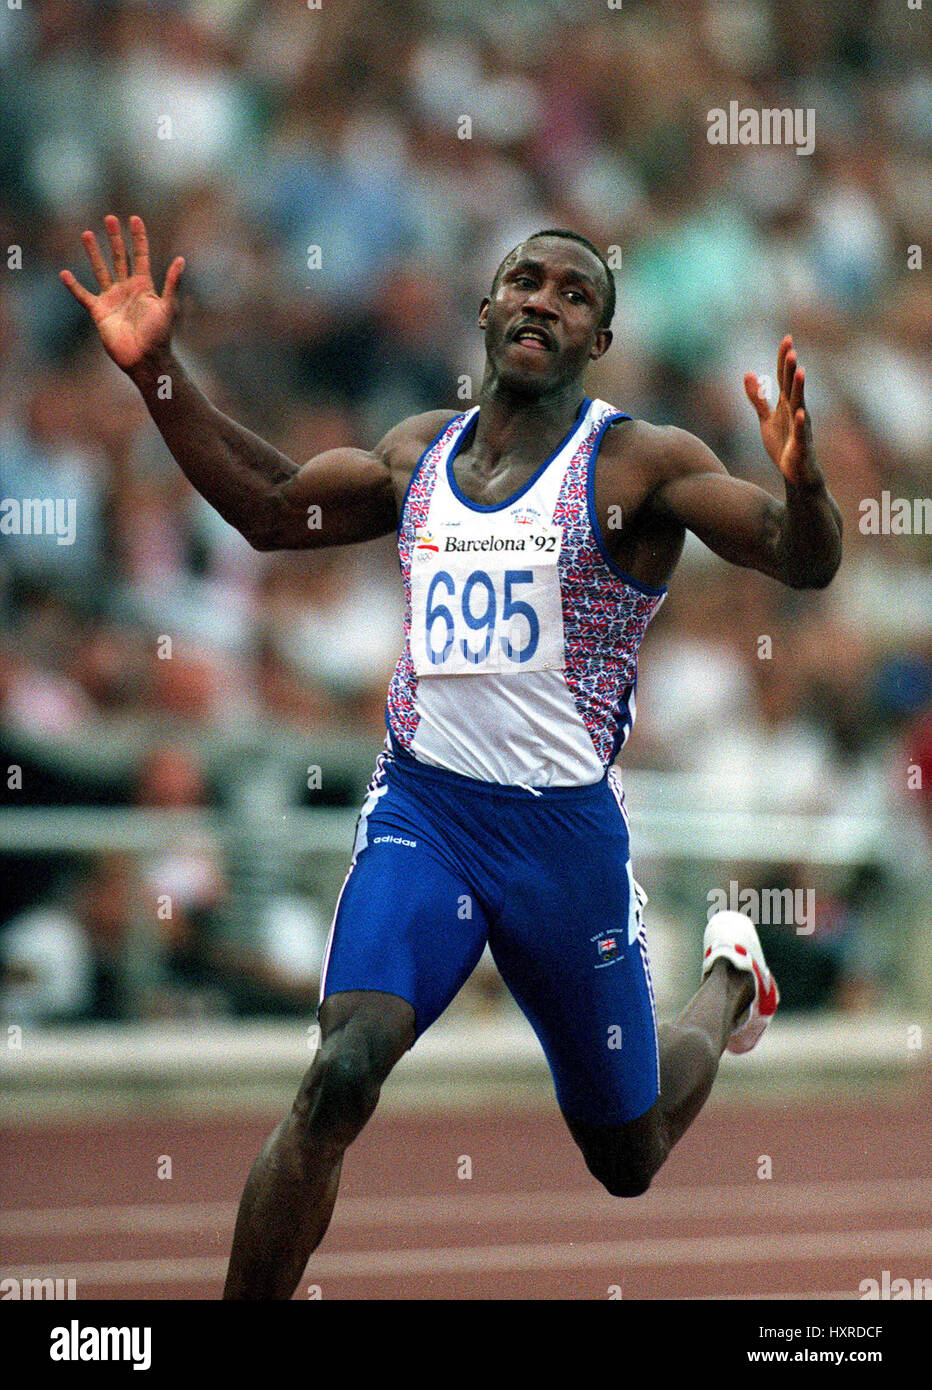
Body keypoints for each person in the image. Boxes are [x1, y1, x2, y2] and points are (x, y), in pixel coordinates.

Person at [62, 216, 843, 1299]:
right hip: (423, 816)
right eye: (524, 280)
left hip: (562, 841)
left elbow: (796, 560)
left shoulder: (640, 463)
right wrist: (156, 376)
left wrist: (804, 490)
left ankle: (727, 977)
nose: (543, 300)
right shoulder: (416, 452)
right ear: (484, 309)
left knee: (627, 1156)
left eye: (574, 294)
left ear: (598, 340)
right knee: (339, 1074)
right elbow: (273, 511)